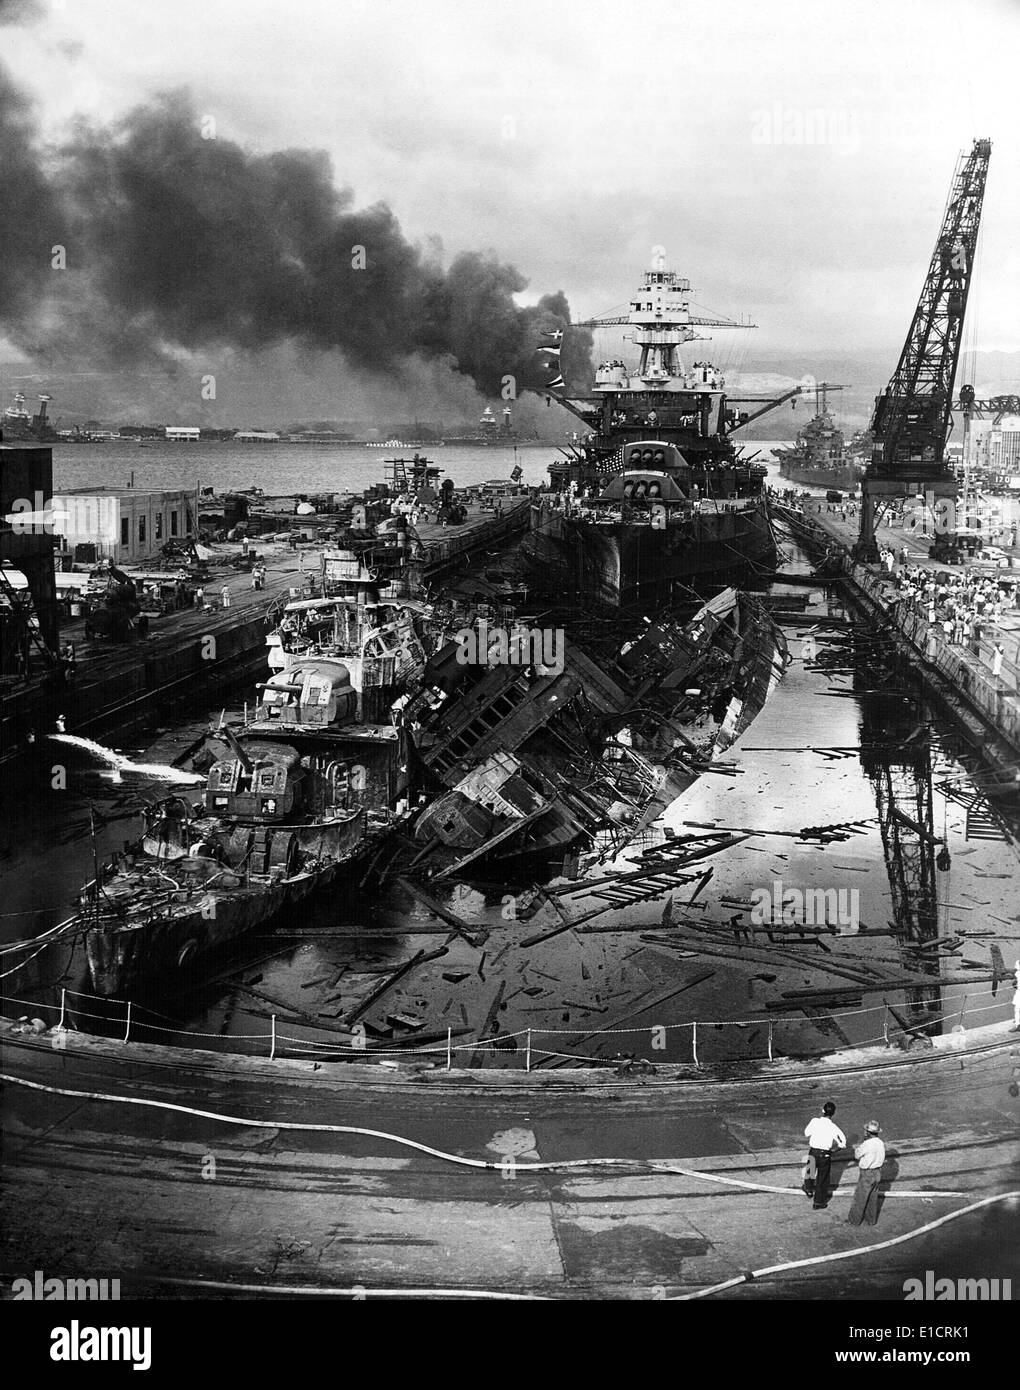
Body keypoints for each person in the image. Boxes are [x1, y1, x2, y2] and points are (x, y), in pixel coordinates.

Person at [803, 1100, 846, 1209]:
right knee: (822, 1178)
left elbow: (806, 1133)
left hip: (813, 1151)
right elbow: (842, 1143)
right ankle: (818, 1202)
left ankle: (808, 1188)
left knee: (810, 1171)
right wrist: (833, 1151)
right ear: (833, 1114)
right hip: (825, 1154)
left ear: (823, 1110)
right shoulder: (833, 1127)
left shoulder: (814, 1121)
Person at [846, 1121, 886, 1226]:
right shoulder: (880, 1143)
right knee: (873, 1197)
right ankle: (871, 1220)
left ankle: (854, 1221)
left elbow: (857, 1155)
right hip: (877, 1171)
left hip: (867, 1173)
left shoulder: (867, 1144)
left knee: (860, 1197)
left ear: (868, 1132)